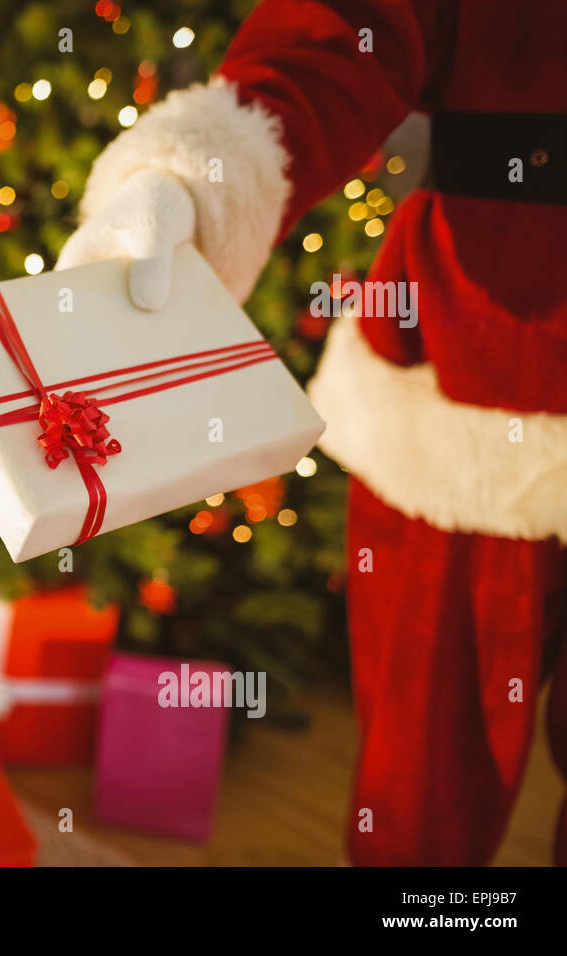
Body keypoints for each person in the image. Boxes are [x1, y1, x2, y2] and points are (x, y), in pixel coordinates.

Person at [59, 0, 567, 866]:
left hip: (472, 382)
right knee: (421, 798)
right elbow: (337, 36)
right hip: (468, 392)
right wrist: (188, 184)